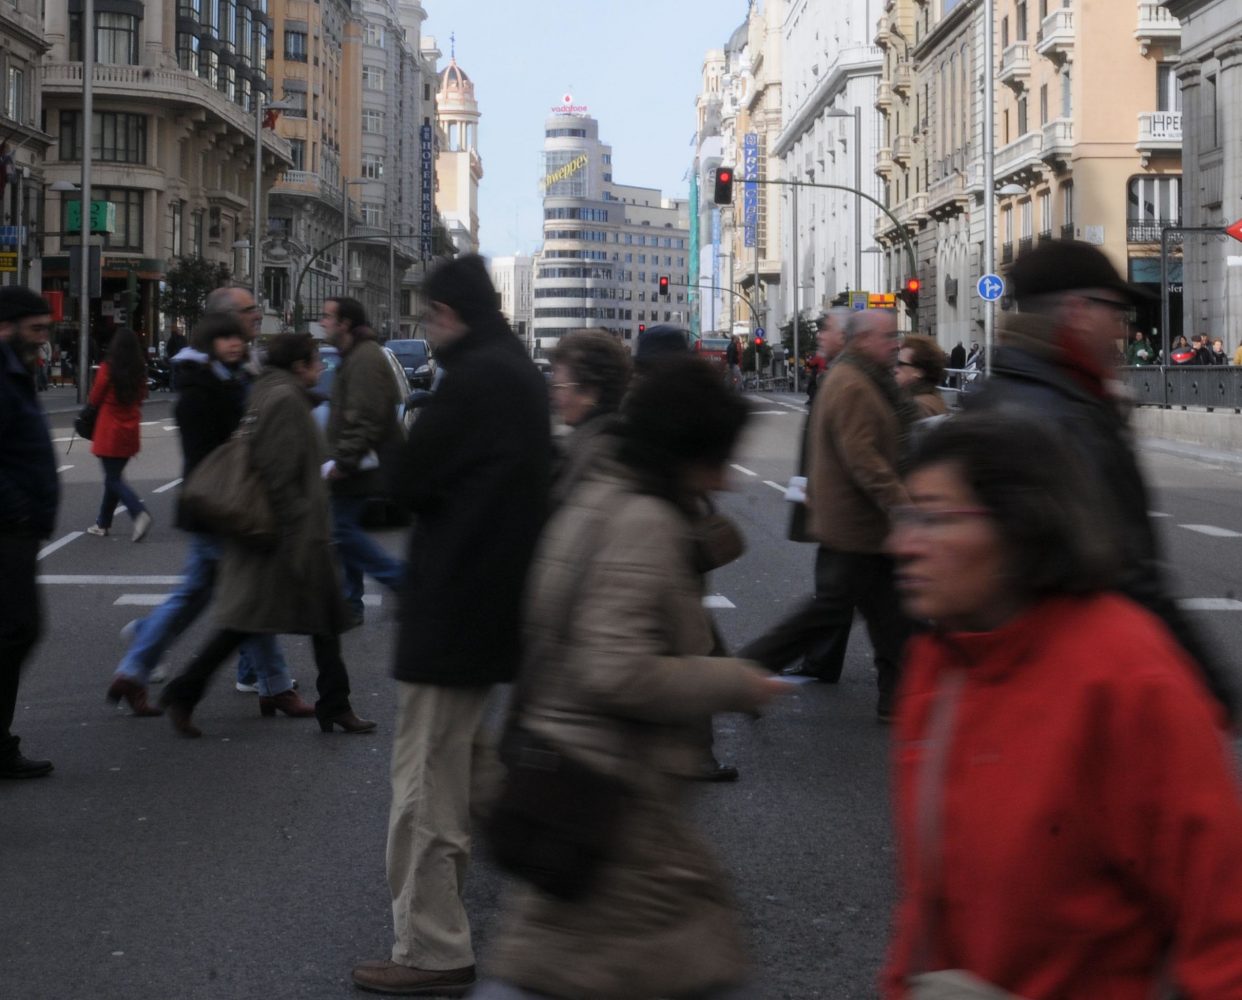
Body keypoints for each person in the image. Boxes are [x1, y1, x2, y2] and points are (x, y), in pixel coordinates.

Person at [882, 413, 1242, 999]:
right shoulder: (939, 662)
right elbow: (927, 907)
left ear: (1019, 526)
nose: (902, 546)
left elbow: (1222, 929)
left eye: (935, 519)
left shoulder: (1127, 678)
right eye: (905, 516)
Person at [475, 356, 786, 1000]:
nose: (727, 478)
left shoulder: (596, 493)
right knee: (670, 963)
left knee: (549, 963)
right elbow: (615, 670)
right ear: (687, 450)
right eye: (719, 459)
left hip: (568, 781)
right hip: (613, 798)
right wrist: (735, 682)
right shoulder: (645, 522)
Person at [351, 255, 551, 997]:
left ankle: (431, 951)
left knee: (426, 792)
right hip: (489, 608)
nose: (426, 329)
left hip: (453, 610)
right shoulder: (517, 372)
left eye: (430, 315)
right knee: (470, 775)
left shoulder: (473, 380)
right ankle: (562, 884)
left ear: (447, 312)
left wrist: (383, 427)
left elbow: (408, 481)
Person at [965, 239, 1235, 722]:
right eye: (1115, 311)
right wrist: (1209, 685)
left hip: (1024, 678)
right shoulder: (1066, 413)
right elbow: (1127, 569)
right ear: (1078, 311)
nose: (1121, 328)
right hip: (1080, 682)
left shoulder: (1002, 394)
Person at [159, 333, 372, 737]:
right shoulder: (285, 400)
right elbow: (279, 474)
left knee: (315, 622)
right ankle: (184, 691)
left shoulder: (271, 391)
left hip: (292, 531)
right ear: (299, 366)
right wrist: (296, 536)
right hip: (289, 534)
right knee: (251, 623)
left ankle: (335, 704)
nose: (321, 368)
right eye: (315, 361)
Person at [107, 314, 304, 718]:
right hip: (220, 506)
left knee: (204, 596)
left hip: (215, 505)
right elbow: (217, 453)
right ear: (209, 343)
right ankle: (275, 685)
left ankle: (134, 669)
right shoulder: (203, 389)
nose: (235, 343)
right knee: (248, 596)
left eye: (238, 337)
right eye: (225, 337)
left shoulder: (225, 380)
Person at [738, 309, 916, 721]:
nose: (895, 345)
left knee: (890, 618)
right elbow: (863, 458)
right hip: (855, 526)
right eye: (889, 337)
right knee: (827, 615)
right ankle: (744, 674)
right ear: (863, 340)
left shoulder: (860, 378)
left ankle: (897, 700)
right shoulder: (852, 383)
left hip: (864, 527)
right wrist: (902, 505)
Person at [319, 295, 405, 625]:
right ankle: (351, 603)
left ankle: (400, 580)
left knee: (341, 530)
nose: (323, 322)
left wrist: (344, 460)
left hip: (361, 463)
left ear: (345, 324)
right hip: (357, 461)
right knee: (344, 530)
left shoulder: (364, 358)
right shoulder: (354, 355)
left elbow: (364, 417)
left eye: (328, 317)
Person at [0, 288, 58, 779]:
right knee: (16, 631)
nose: (43, 339)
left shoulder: (14, 370)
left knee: (15, 632)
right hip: (7, 529)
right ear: (6, 326)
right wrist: (17, 510)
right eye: (36, 329)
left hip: (17, 528)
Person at [548, 328, 632, 508]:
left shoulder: (592, 456)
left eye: (560, 387)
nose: (554, 397)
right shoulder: (606, 441)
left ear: (589, 393)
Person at [85, 326, 152, 541]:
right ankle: (102, 523)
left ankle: (138, 512)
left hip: (109, 428)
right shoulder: (139, 370)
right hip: (129, 429)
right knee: (113, 478)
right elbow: (142, 397)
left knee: (113, 479)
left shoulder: (108, 368)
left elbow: (95, 397)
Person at [893, 334, 947, 419]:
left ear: (919, 371)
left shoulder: (919, 407)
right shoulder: (930, 397)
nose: (895, 369)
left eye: (900, 364)